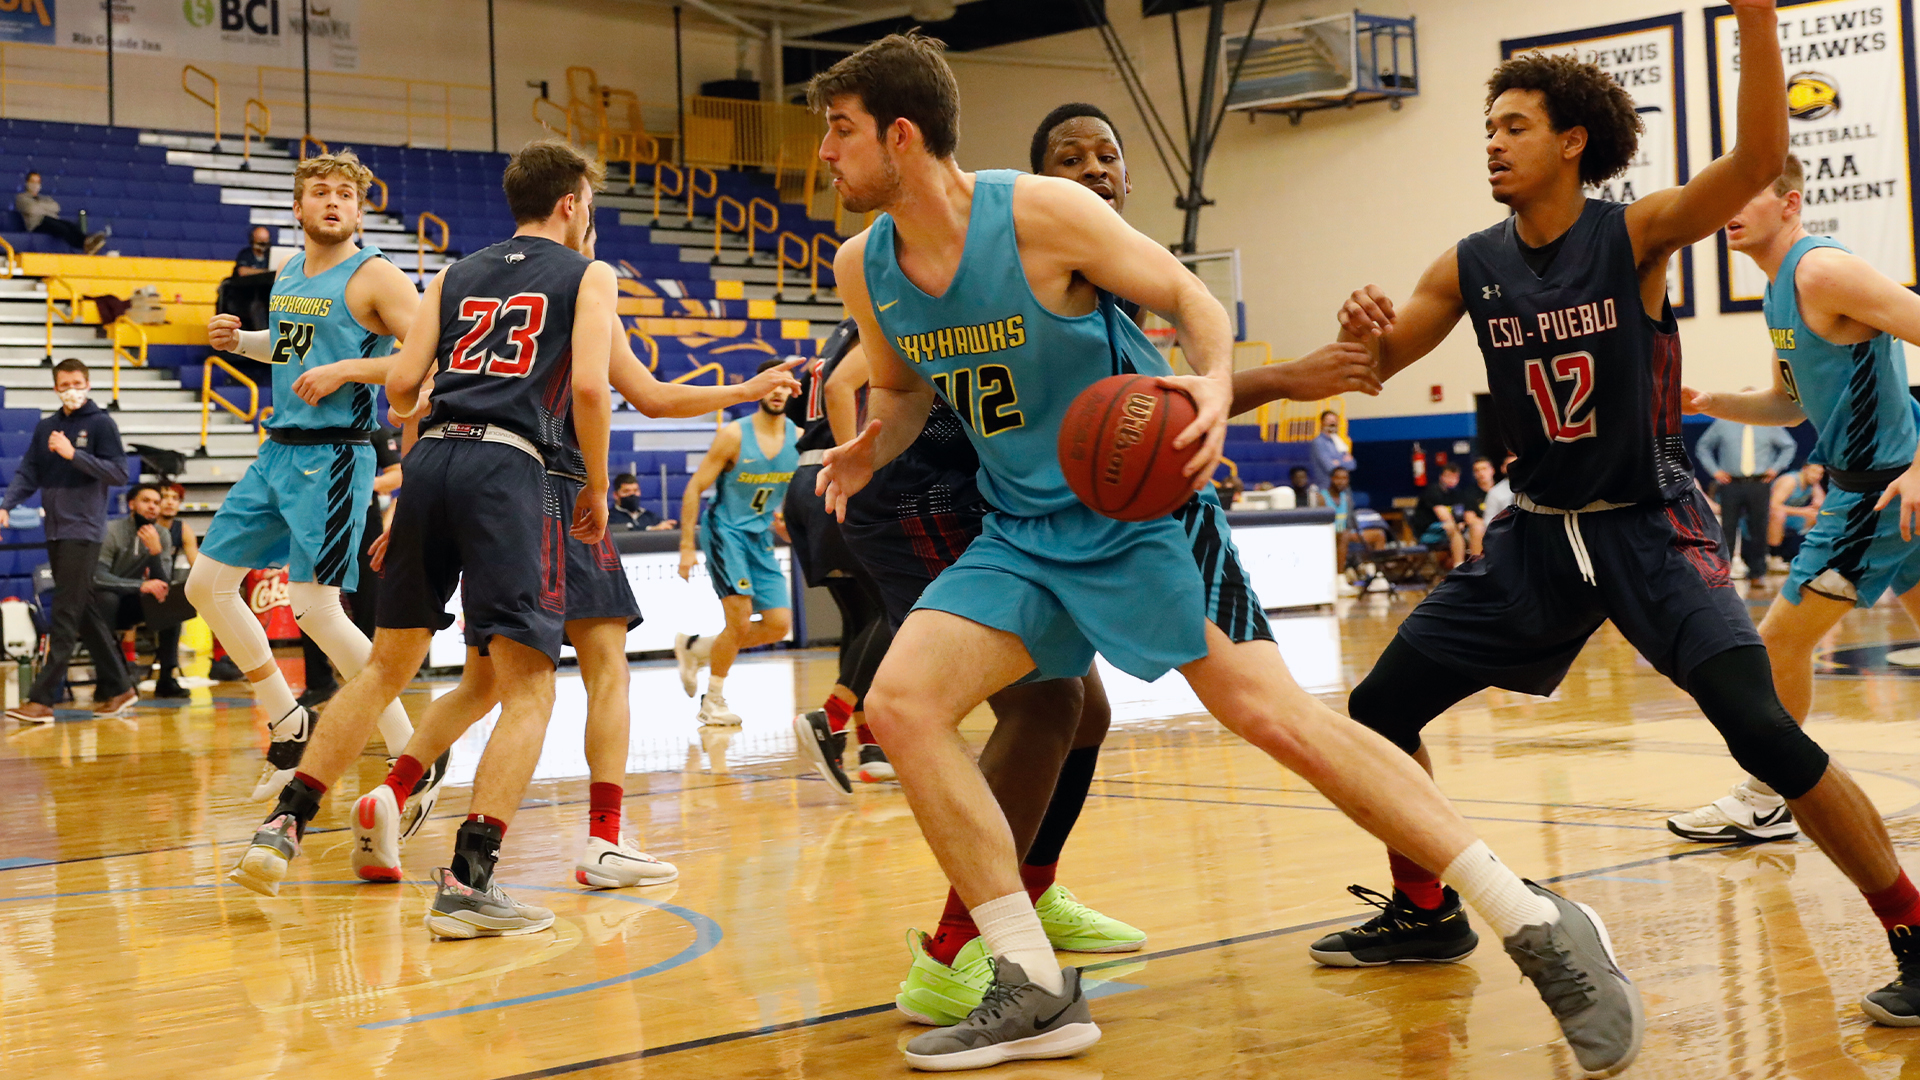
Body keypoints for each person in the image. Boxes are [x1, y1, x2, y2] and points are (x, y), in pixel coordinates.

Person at [809, 34, 1639, 1074]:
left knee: (1274, 718)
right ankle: (1027, 975)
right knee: (901, 704)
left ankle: (1534, 920)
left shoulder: (1042, 214)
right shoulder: (863, 264)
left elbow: (1191, 301)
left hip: (1144, 519)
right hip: (1022, 531)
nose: (824, 156)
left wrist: (1207, 383)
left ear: (899, 132)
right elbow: (899, 386)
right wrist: (865, 445)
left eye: (838, 131)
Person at [1325, 15, 1920, 1030]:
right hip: (1535, 538)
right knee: (1377, 714)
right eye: (1487, 127)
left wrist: (1758, 23)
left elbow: (1759, 159)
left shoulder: (1633, 234)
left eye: (1514, 126)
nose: (1492, 143)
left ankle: (1911, 927)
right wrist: (1356, 338)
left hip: (1649, 523)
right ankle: (1425, 912)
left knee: (1762, 730)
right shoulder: (1468, 262)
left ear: (1571, 142)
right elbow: (1369, 373)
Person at [228, 139, 619, 942]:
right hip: (510, 472)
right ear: (574, 202)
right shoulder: (589, 274)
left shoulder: (451, 273)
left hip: (431, 462)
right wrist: (600, 487)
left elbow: (405, 389)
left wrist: (413, 505)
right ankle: (470, 881)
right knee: (529, 687)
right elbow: (589, 386)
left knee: (381, 668)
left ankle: (287, 824)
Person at [351, 227, 804, 890]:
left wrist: (416, 510)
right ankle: (603, 840)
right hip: (554, 494)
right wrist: (742, 389)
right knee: (605, 671)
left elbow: (417, 403)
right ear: (574, 214)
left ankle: (393, 790)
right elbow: (646, 396)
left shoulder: (473, 286)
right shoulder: (581, 286)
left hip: (469, 492)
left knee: (482, 684)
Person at [1663, 156, 1920, 1026]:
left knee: (1772, 645)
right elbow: (1785, 405)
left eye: (1747, 195)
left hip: (1880, 490)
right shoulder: (1781, 290)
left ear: (1790, 201)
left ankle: (1768, 796)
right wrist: (1706, 400)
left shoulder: (1822, 267)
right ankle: (1770, 795)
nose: (1728, 211)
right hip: (1873, 487)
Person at [193, 150, 426, 803]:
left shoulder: (376, 276)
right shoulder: (290, 269)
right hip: (278, 450)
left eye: (345, 196)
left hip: (335, 454)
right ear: (297, 208)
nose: (333, 202)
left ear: (358, 209)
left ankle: (413, 757)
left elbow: (423, 359)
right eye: (320, 192)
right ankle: (289, 718)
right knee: (206, 586)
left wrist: (349, 372)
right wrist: (241, 342)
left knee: (317, 611)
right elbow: (292, 346)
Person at [783, 323, 897, 787]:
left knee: (862, 616)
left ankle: (869, 745)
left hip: (805, 483)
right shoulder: (873, 336)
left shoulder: (827, 347)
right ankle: (829, 721)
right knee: (896, 610)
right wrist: (853, 456)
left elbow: (800, 408)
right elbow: (839, 387)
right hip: (834, 479)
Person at [1, 358, 135, 721]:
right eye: (64, 384)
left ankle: (42, 699)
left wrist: (74, 454)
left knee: (63, 612)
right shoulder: (47, 427)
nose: (71, 389)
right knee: (83, 611)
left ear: (88, 383)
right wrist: (7, 504)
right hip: (56, 530)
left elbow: (119, 473)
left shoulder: (102, 424)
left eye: (77, 382)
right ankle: (121, 689)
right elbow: (29, 470)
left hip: (85, 531)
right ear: (55, 387)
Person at [672, 361, 798, 726]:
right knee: (740, 620)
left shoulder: (798, 437)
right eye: (770, 384)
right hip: (726, 532)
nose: (777, 391)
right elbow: (694, 488)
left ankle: (696, 647)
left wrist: (785, 519)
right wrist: (685, 545)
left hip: (760, 537)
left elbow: (786, 491)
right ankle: (713, 701)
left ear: (792, 391)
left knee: (778, 625)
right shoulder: (733, 435)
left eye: (784, 385)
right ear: (758, 388)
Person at [1695, 405, 1798, 579]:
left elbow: (1789, 445)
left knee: (1759, 526)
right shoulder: (1723, 423)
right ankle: (1723, 570)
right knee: (1728, 526)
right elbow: (1703, 446)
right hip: (1731, 483)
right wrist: (1715, 471)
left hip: (1759, 482)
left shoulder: (1768, 424)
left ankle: (1758, 570)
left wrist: (1776, 467)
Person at [94, 483, 176, 678]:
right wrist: (141, 585)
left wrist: (155, 553)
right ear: (131, 504)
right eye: (146, 501)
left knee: (171, 604)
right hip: (102, 600)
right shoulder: (111, 531)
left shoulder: (162, 534)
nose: (152, 507)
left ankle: (167, 678)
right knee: (107, 598)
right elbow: (97, 577)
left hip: (132, 601)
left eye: (156, 502)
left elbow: (164, 583)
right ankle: (110, 677)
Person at [148, 483, 196, 698]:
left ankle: (168, 675)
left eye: (174, 498)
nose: (169, 502)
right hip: (139, 584)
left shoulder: (182, 528)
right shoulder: (146, 526)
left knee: (174, 608)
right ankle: (129, 662)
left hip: (164, 585)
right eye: (164, 497)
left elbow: (196, 564)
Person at [15, 172, 106, 254]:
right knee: (61, 228)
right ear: (27, 183)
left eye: (38, 182)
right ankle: (82, 244)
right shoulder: (22, 198)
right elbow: (32, 209)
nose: (35, 185)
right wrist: (46, 208)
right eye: (33, 181)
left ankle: (87, 240)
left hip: (51, 220)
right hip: (37, 224)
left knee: (69, 225)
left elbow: (56, 207)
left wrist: (40, 207)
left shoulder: (44, 198)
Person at [1408, 461, 1467, 564]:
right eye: (1448, 476)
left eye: (1455, 477)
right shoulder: (1433, 491)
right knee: (1453, 528)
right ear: (1441, 477)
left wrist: (1463, 524)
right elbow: (1444, 517)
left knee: (1469, 531)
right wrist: (1458, 525)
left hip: (1446, 531)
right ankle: (1459, 566)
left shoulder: (1457, 493)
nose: (1451, 480)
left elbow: (1461, 516)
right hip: (1427, 532)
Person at [1768, 461, 1825, 566]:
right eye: (1814, 471)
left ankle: (1812, 556)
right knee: (1778, 514)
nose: (1817, 476)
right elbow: (1772, 505)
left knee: (1820, 515)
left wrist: (1816, 485)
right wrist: (1802, 512)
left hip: (1790, 518)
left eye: (1820, 474)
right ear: (1804, 469)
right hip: (1765, 519)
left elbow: (1820, 504)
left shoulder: (1811, 483)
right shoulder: (1790, 481)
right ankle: (1773, 556)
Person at [221, 225, 276, 331]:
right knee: (257, 308)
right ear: (253, 240)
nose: (263, 245)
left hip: (266, 297)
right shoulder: (245, 255)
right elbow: (242, 271)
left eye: (265, 242)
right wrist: (264, 272)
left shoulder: (270, 255)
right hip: (244, 299)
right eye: (260, 242)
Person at [1308, 409, 1356, 491]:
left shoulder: (1338, 441)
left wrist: (1337, 462)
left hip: (1342, 489)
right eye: (1329, 420)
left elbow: (1352, 465)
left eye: (1334, 421)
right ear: (1322, 423)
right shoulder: (1318, 442)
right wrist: (1343, 461)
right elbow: (1329, 466)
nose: (1332, 423)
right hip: (1326, 488)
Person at [609, 473, 674, 531]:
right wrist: (651, 529)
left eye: (635, 491)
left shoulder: (650, 516)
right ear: (616, 495)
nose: (632, 494)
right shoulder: (609, 517)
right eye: (626, 491)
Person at [1462, 456, 1498, 557]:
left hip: (1502, 528)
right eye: (1477, 471)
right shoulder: (1470, 493)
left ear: (1492, 470)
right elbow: (1469, 518)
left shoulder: (1502, 491)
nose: (1481, 473)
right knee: (1477, 528)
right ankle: (1478, 565)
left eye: (1484, 469)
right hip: (1480, 529)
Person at [1482, 450, 1517, 520]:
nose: (1514, 468)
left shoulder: (1532, 488)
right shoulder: (1495, 492)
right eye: (1510, 465)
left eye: (1517, 465)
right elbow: (1489, 521)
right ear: (1503, 468)